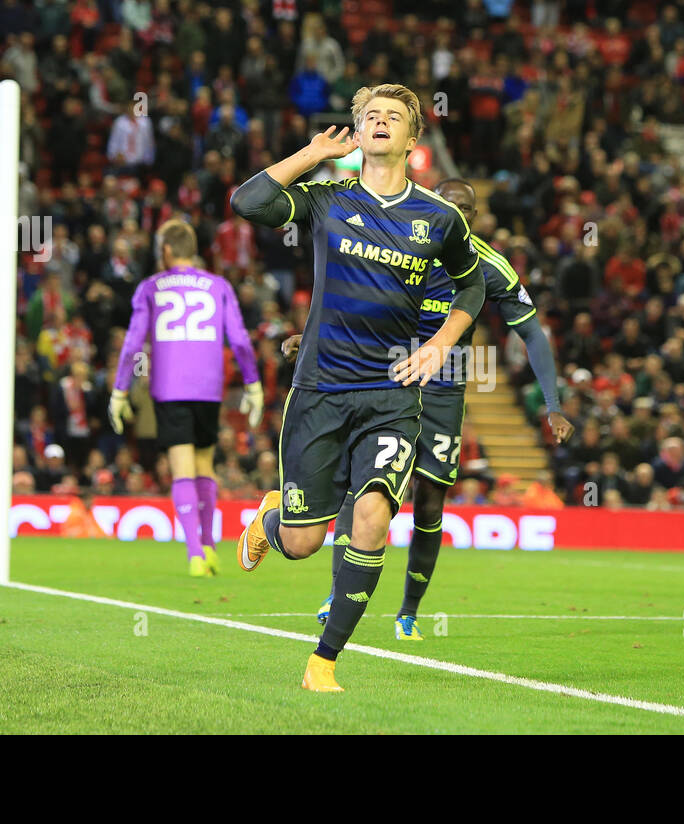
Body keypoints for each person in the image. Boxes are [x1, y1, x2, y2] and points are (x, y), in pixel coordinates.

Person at [230, 84, 484, 691]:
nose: (379, 122)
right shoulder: (326, 199)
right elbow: (248, 202)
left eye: (393, 116)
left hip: (392, 395)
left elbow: (472, 288)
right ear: (358, 131)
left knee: (371, 513)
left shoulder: (439, 218)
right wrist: (308, 155)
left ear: (412, 139)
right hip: (319, 391)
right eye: (370, 115)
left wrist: (441, 344)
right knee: (302, 543)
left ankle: (324, 662)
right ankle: (272, 522)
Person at [283, 177, 574, 641]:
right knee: (360, 486)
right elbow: (354, 300)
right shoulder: (399, 236)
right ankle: (339, 593)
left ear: (472, 219)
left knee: (431, 500)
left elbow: (534, 332)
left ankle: (408, 611)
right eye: (448, 203)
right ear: (435, 205)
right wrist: (315, 339)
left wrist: (553, 405)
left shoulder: (487, 264)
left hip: (442, 392)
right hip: (385, 379)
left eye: (465, 209)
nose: (455, 212)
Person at [108, 219, 263, 577]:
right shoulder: (218, 285)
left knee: (181, 469)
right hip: (208, 389)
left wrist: (120, 389)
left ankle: (195, 554)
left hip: (171, 388)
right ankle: (209, 545)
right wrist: (253, 383)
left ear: (165, 250)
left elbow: (133, 343)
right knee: (205, 466)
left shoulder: (150, 287)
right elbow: (239, 339)